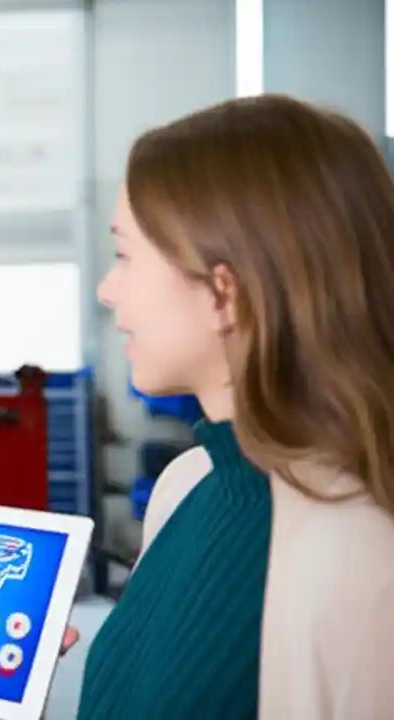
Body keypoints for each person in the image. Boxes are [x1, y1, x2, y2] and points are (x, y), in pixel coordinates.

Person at [75, 94, 394, 719]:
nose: (108, 290)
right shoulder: (187, 487)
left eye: (125, 255)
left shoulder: (362, 555)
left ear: (226, 293)